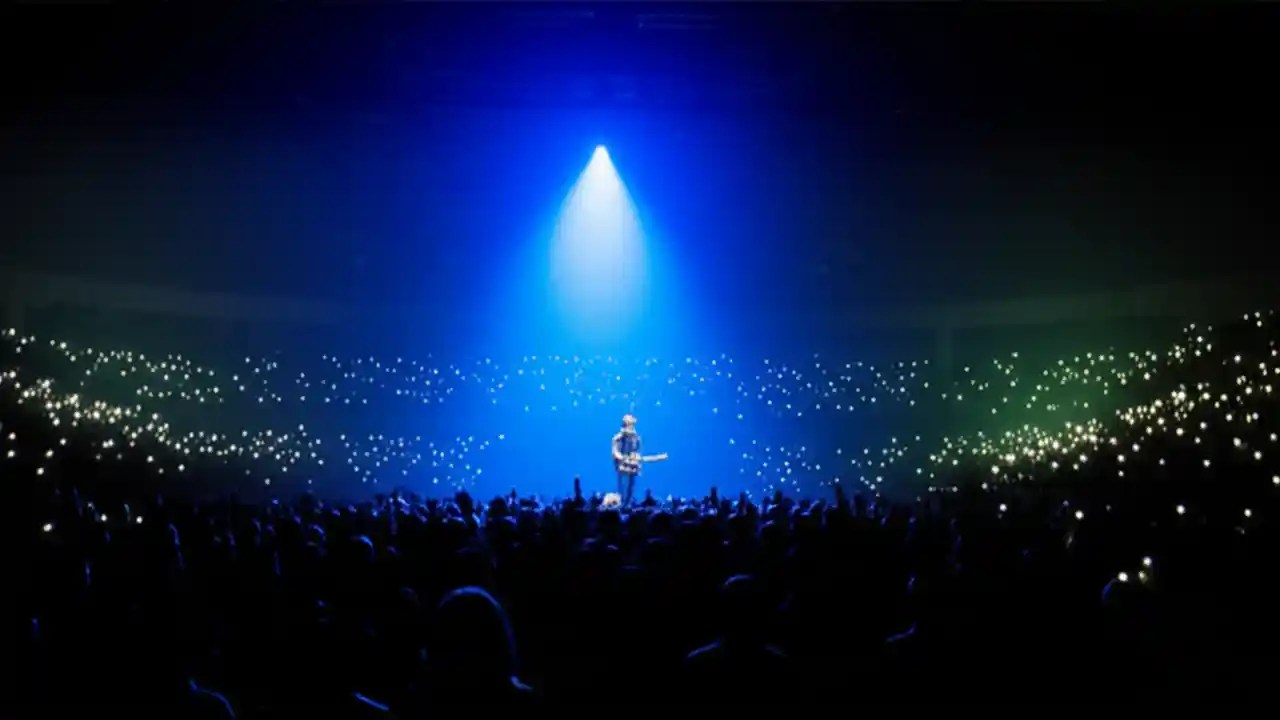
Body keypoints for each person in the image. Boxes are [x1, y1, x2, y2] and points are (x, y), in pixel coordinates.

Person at [611, 414, 642, 507]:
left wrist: (635, 458)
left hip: (632, 466)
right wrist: (623, 458)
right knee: (623, 486)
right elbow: (615, 452)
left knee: (631, 486)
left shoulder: (636, 438)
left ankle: (628, 503)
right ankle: (622, 504)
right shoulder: (618, 438)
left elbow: (637, 450)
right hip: (623, 466)